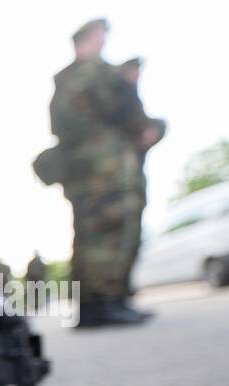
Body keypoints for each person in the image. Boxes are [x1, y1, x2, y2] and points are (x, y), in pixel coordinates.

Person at [48, 19, 163, 327]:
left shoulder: (64, 80)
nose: (104, 41)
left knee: (90, 235)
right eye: (101, 35)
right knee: (110, 233)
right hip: (106, 167)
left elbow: (59, 126)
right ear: (90, 37)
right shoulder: (97, 73)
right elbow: (127, 112)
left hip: (84, 170)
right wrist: (151, 128)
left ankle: (97, 305)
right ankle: (105, 303)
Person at [116, 57, 167, 300]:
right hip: (114, 177)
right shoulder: (118, 98)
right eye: (132, 72)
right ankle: (108, 295)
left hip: (131, 175)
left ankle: (121, 292)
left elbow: (148, 130)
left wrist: (157, 128)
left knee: (131, 235)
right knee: (114, 236)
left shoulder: (132, 100)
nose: (136, 77)